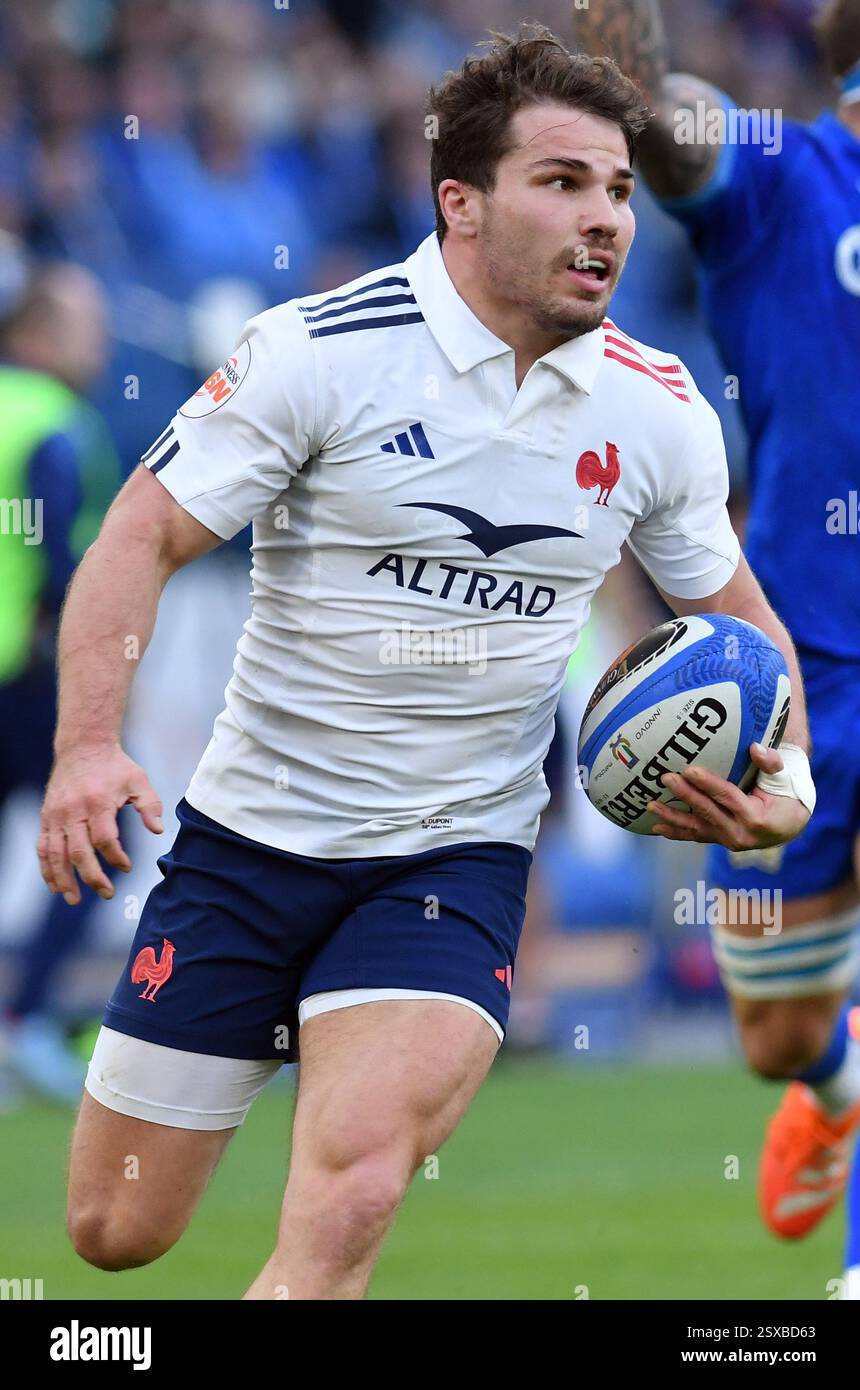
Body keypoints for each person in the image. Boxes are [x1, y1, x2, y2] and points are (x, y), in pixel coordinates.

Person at [41, 26, 814, 1300]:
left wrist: (776, 784)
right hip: (247, 845)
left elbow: (745, 632)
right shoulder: (322, 351)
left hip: (453, 857)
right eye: (561, 183)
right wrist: (86, 744)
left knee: (349, 1191)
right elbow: (141, 530)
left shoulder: (657, 406)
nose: (605, 218)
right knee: (115, 1229)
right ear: (458, 201)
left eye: (618, 189)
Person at [574, 0, 860, 1268]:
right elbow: (667, 129)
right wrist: (630, 51)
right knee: (777, 1037)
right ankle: (834, 1082)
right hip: (791, 670)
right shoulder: (787, 172)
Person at [0, 258, 120, 1103]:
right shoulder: (54, 420)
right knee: (104, 828)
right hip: (28, 672)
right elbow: (58, 563)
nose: (101, 344)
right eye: (85, 326)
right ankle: (31, 1021)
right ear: (37, 335)